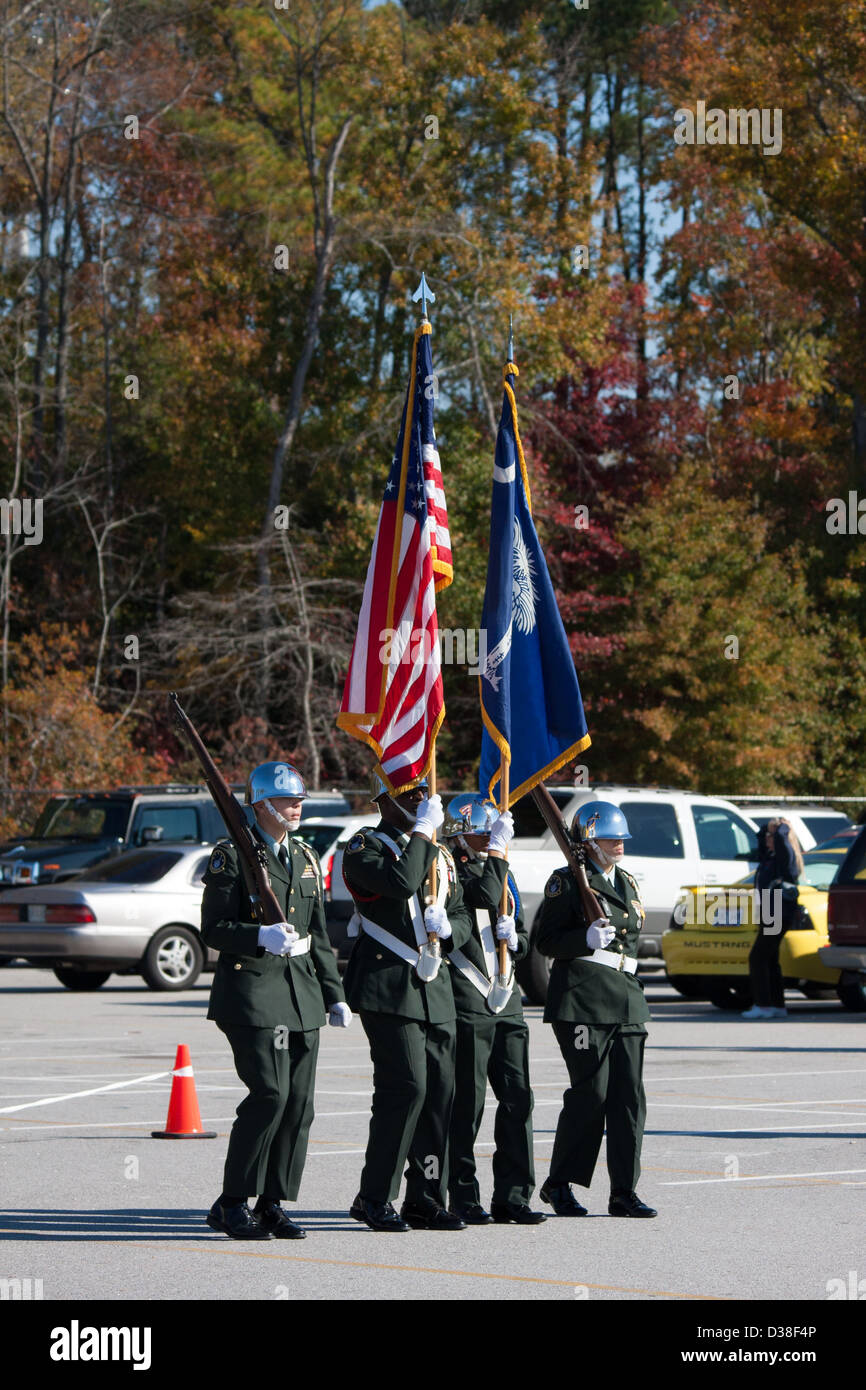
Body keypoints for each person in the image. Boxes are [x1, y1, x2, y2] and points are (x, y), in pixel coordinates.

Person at [201, 761, 350, 1241]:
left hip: (301, 993)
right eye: (288, 800)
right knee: (270, 1094)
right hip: (252, 993)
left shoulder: (305, 857)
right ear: (261, 805)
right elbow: (214, 928)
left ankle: (271, 1203)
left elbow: (319, 934)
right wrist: (259, 935)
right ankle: (231, 1202)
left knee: (299, 1104)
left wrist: (334, 994)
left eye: (300, 799)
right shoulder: (231, 856)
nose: (297, 807)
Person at [342, 775, 474, 1233]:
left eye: (424, 795)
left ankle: (424, 1196)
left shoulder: (437, 853)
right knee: (407, 1089)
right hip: (387, 983)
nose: (421, 802)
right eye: (410, 797)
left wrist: (452, 928)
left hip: (434, 988)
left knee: (440, 1095)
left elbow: (460, 913)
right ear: (385, 801)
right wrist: (423, 832)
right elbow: (399, 883)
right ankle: (373, 1196)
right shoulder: (364, 847)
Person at [535, 799, 656, 1219]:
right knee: (591, 1093)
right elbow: (546, 942)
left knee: (629, 1098)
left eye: (621, 838)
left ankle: (624, 1190)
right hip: (583, 999)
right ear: (589, 840)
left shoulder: (628, 882)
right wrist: (584, 938)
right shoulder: (567, 881)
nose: (619, 844)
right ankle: (559, 1183)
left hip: (625, 997)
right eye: (610, 838)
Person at [442, 794, 544, 1226]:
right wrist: (497, 856)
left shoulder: (503, 870)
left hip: (507, 994)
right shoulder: (447, 871)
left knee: (518, 1097)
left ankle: (514, 1195)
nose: (488, 840)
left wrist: (515, 937)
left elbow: (515, 921)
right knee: (467, 1102)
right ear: (457, 835)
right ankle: (463, 1195)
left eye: (492, 834)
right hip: (468, 992)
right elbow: (483, 894)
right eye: (480, 833)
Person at [742, 818, 804, 1020]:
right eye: (769, 835)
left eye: (772, 836)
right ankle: (777, 1005)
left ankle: (763, 1004)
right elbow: (760, 839)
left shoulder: (786, 858)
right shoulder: (770, 856)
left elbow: (781, 838)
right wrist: (767, 828)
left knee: (757, 957)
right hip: (770, 910)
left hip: (778, 910)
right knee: (770, 959)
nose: (769, 839)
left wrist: (781, 828)